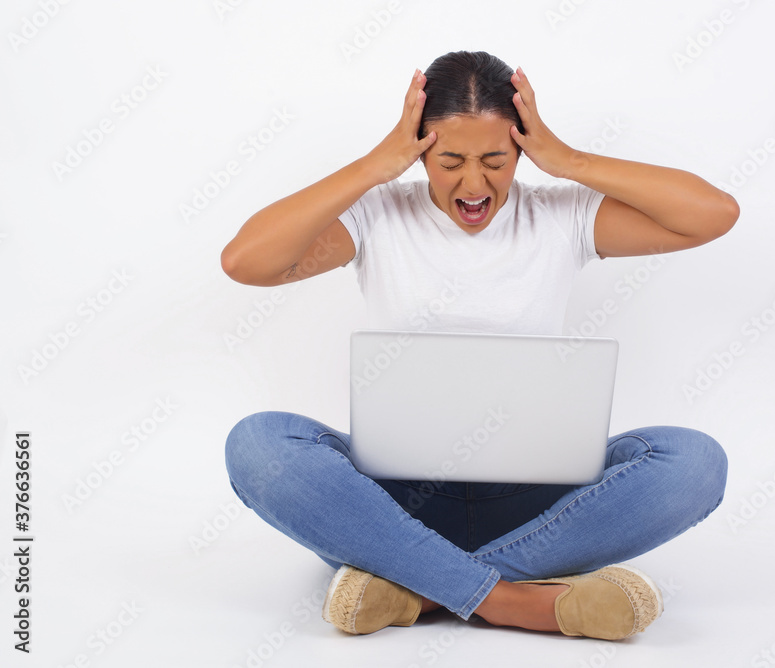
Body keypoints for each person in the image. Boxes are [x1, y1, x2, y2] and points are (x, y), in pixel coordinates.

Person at [221, 50, 738, 641]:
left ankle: (416, 588)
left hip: (541, 505)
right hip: (394, 501)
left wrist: (568, 160)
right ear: (418, 152)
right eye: (449, 161)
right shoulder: (377, 215)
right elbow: (246, 262)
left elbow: (713, 215)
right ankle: (516, 602)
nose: (474, 182)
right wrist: (372, 166)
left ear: (521, 150)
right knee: (258, 445)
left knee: (695, 463)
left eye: (496, 159)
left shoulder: (560, 217)